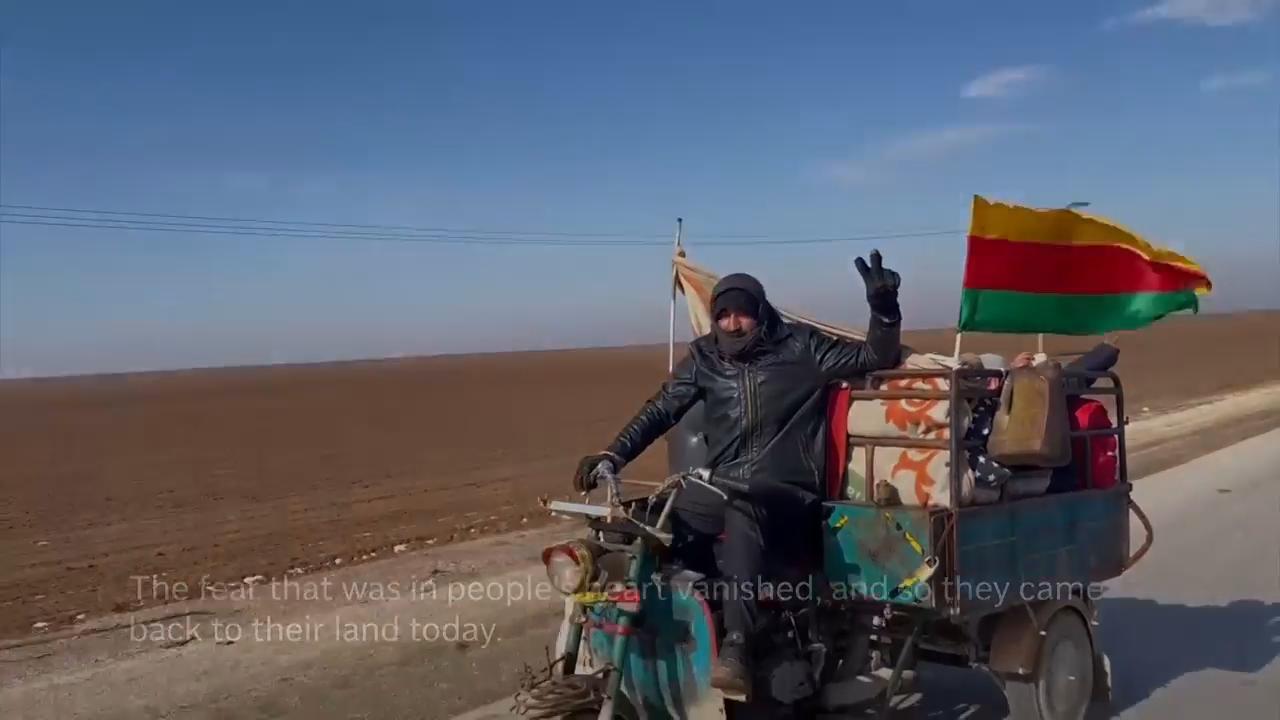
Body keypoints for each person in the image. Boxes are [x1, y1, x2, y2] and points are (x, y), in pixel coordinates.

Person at [571, 251, 904, 695]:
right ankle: (639, 634)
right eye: (722, 314)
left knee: (744, 508)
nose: (731, 324)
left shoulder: (801, 348)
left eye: (741, 313)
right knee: (644, 519)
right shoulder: (705, 358)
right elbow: (660, 410)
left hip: (788, 496)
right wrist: (612, 456)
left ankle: (737, 649)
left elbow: (876, 354)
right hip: (719, 487)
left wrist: (884, 310)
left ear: (760, 313)